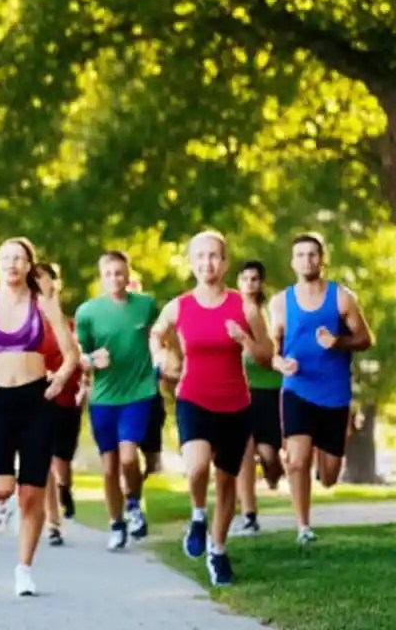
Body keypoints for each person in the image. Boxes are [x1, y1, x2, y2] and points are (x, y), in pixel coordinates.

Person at [150, 230, 272, 587]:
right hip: (193, 398)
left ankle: (217, 552)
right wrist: (161, 357)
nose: (208, 262)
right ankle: (198, 515)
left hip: (236, 403)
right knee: (197, 466)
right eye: (200, 256)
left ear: (226, 262)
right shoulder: (180, 305)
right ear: (192, 262)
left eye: (214, 256)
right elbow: (157, 333)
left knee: (227, 479)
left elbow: (266, 357)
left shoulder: (245, 305)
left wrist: (245, 339)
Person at [0, 238, 78, 597]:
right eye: (5, 258)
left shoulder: (43, 304)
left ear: (29, 266)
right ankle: (1, 504)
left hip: (36, 402)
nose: (12, 264)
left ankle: (24, 568)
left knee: (32, 493)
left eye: (19, 258)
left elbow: (70, 353)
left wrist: (60, 379)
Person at [268, 233, 373, 544]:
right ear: (292, 261)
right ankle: (303, 528)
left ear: (322, 259)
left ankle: (334, 442)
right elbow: (272, 350)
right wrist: (280, 364)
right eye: (300, 255)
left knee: (328, 477)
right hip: (297, 388)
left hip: (334, 393)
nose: (307, 260)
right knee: (297, 460)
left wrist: (338, 342)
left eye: (312, 254)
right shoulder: (280, 302)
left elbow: (366, 339)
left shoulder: (342, 297)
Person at [74, 251, 160, 549]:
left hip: (138, 392)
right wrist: (91, 360)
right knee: (109, 467)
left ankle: (134, 504)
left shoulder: (146, 306)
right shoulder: (88, 312)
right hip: (104, 398)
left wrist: (169, 359)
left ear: (128, 275)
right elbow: (77, 357)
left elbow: (163, 335)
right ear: (102, 277)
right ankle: (116, 523)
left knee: (128, 457)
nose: (115, 278)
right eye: (109, 273)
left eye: (120, 273)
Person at [34, 263, 84, 548]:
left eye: (44, 279)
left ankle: (65, 490)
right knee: (45, 461)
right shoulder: (26, 321)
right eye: (35, 280)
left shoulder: (68, 324)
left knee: (61, 460)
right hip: (38, 399)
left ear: (56, 284)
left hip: (66, 399)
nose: (39, 284)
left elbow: (76, 357)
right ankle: (53, 523)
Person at [233, 259, 285, 535]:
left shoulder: (266, 313)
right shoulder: (229, 310)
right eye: (245, 279)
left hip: (269, 388)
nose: (250, 284)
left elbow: (266, 356)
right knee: (244, 451)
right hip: (239, 388)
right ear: (238, 282)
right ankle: (249, 516)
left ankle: (276, 471)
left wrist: (245, 341)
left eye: (255, 279)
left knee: (267, 454)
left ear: (261, 283)